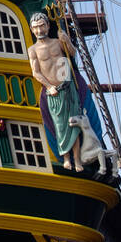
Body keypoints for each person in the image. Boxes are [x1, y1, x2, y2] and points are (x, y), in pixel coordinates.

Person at [27, 12, 82, 172]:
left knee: (74, 124)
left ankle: (77, 159)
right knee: (59, 126)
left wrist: (66, 40)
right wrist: (49, 86)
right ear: (31, 29)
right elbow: (36, 72)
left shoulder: (58, 42)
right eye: (36, 28)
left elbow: (72, 53)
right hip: (53, 91)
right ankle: (66, 157)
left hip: (67, 85)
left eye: (42, 26)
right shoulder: (33, 50)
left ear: (48, 26)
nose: (39, 30)